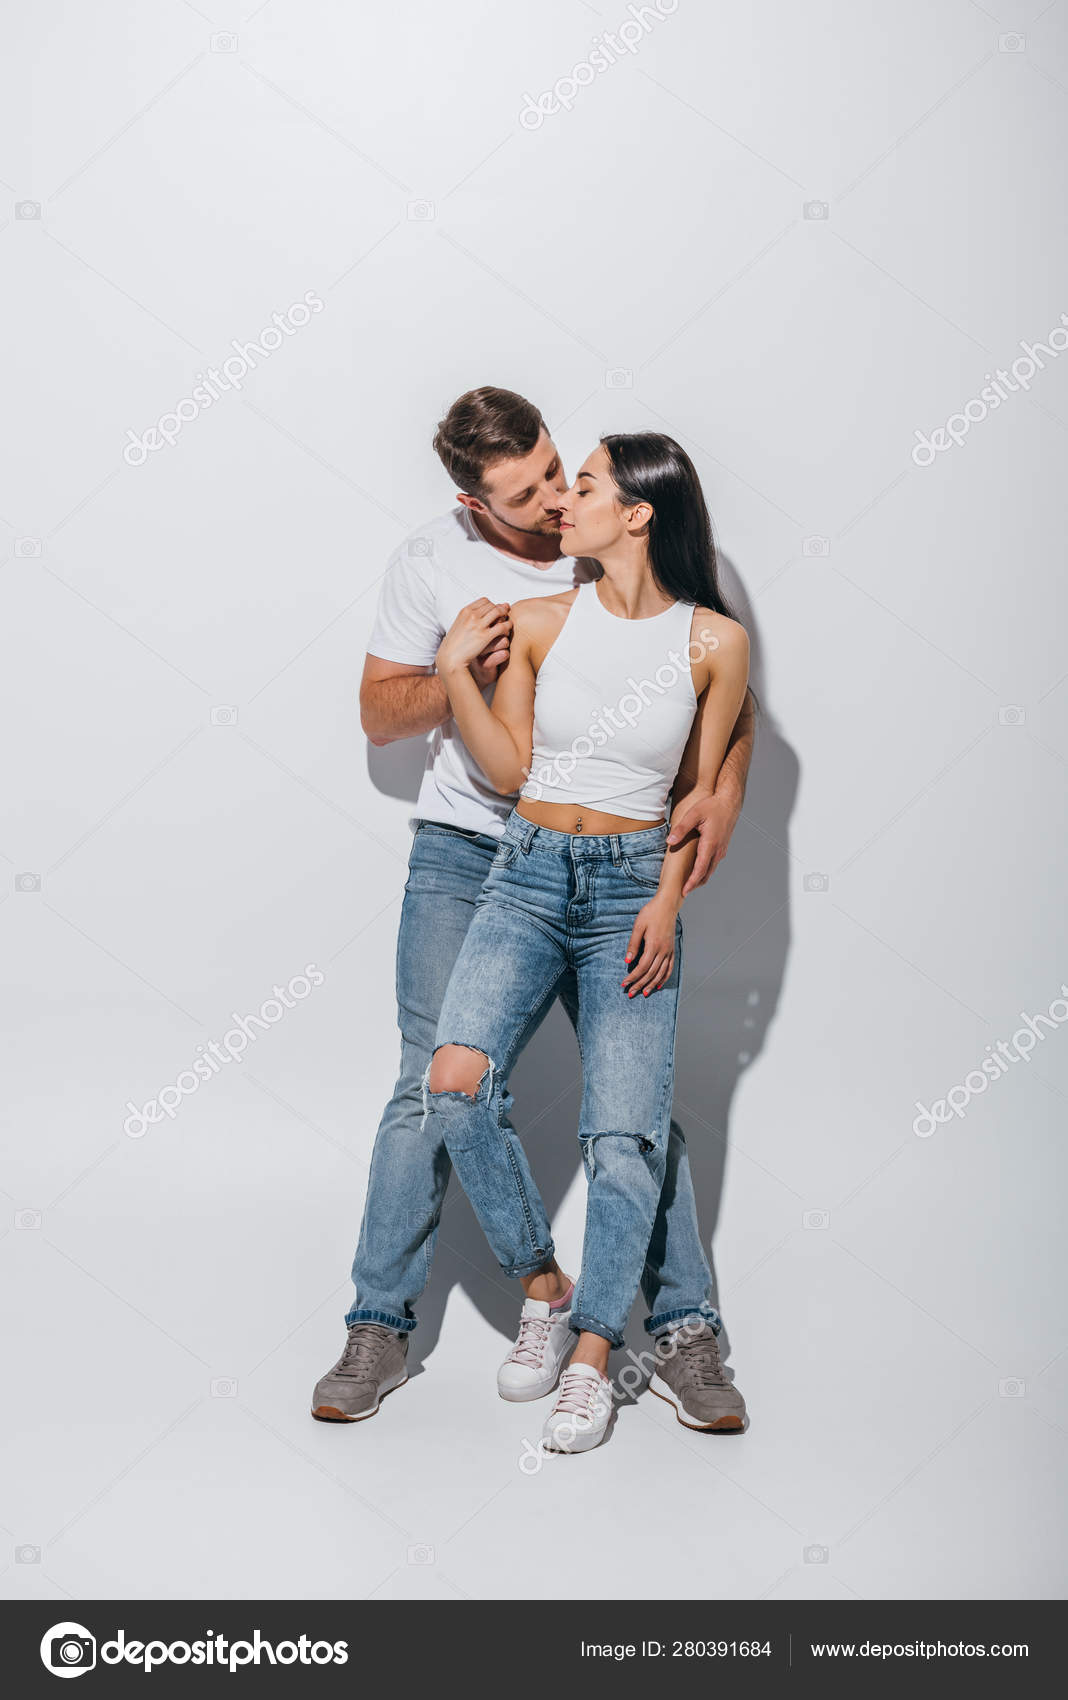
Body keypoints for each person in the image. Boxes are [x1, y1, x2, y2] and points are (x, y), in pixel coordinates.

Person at [311, 390, 754, 1430]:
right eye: (527, 493)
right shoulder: (435, 561)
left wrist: (718, 797)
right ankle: (382, 1323)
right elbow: (382, 711)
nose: (557, 502)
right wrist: (466, 669)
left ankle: (683, 1329)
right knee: (434, 1083)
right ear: (474, 500)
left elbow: (717, 702)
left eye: (564, 472)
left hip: (627, 862)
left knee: (632, 1115)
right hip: (481, 853)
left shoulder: (622, 537)